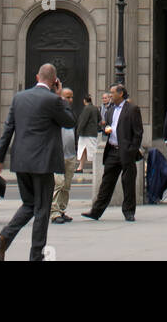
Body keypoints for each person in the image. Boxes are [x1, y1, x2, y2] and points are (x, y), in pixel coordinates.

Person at [0, 63, 76, 262]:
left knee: (29, 204)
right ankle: (35, 255)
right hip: (43, 162)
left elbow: (8, 130)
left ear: (37, 77)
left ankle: (5, 236)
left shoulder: (18, 98)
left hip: (21, 161)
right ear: (55, 81)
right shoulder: (53, 100)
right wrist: (61, 97)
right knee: (42, 209)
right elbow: (70, 121)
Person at [82, 83, 143, 223]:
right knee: (106, 182)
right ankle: (96, 211)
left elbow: (138, 132)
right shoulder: (109, 110)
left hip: (126, 151)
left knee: (128, 183)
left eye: (112, 92)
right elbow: (109, 126)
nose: (110, 95)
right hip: (112, 150)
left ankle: (128, 211)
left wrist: (132, 150)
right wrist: (106, 129)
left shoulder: (132, 109)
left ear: (121, 93)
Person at [50, 86, 78, 224]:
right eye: (67, 97)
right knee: (58, 183)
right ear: (60, 97)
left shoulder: (70, 112)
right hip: (58, 155)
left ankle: (61, 210)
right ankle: (54, 213)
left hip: (70, 154)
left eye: (72, 97)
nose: (70, 100)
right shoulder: (56, 112)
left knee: (66, 185)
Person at [75, 94, 99, 174]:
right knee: (88, 150)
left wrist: (78, 131)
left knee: (85, 150)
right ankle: (81, 167)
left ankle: (82, 167)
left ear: (84, 101)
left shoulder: (87, 108)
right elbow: (100, 119)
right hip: (93, 133)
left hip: (85, 133)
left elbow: (83, 121)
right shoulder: (95, 108)